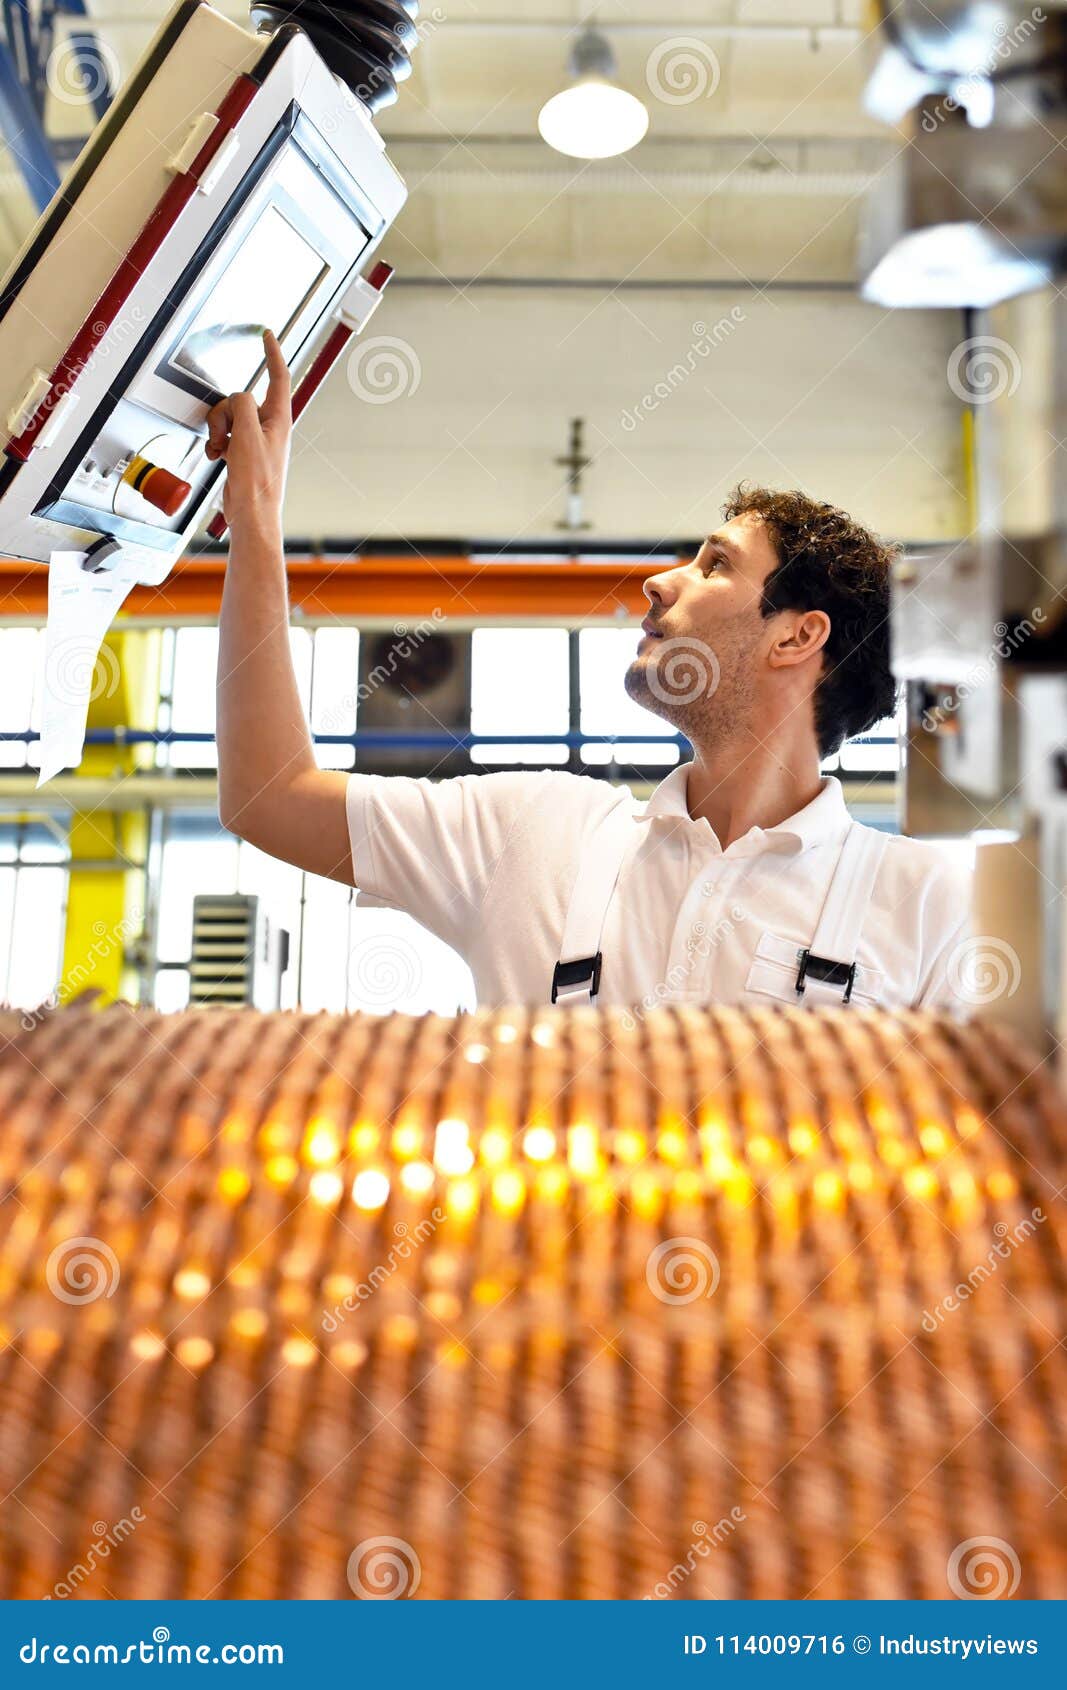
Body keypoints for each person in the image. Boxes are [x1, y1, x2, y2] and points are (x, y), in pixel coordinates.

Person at [210, 331, 971, 1012]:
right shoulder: (531, 834)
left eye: (713, 566)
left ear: (796, 637)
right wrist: (256, 515)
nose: (658, 582)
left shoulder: (929, 909)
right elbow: (270, 798)